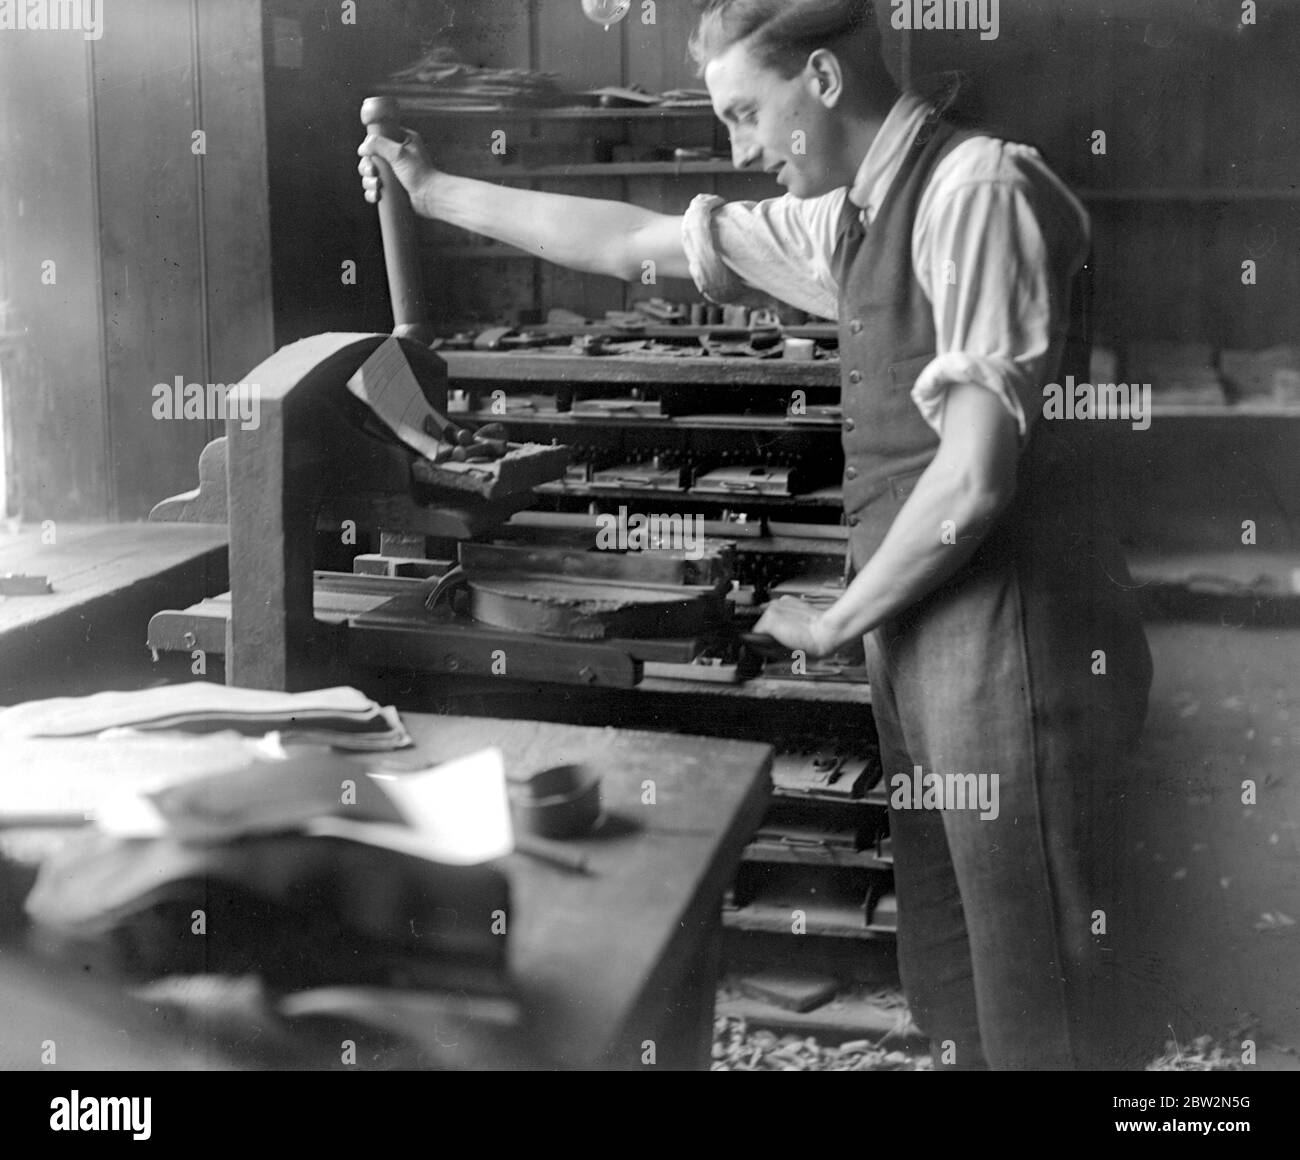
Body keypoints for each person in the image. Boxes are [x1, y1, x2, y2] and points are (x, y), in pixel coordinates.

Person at [359, 0, 1154, 1070]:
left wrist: (835, 618)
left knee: (1042, 986)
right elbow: (635, 242)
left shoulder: (978, 189)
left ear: (821, 80)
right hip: (920, 624)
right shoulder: (851, 218)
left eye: (742, 112)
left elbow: (972, 476)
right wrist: (433, 189)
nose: (731, 145)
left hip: (1013, 629)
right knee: (964, 966)